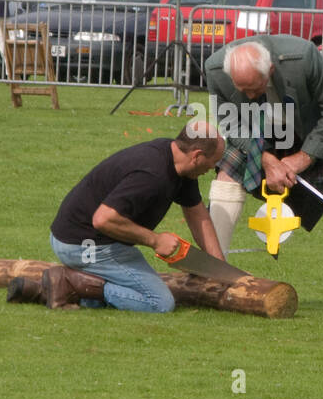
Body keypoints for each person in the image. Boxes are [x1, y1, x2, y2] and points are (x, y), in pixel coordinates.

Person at [204, 36, 323, 314]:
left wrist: (301, 160)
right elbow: (230, 120)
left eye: (253, 88)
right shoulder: (215, 70)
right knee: (227, 175)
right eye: (241, 89)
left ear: (269, 71)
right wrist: (265, 158)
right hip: (263, 130)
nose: (247, 96)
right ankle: (213, 275)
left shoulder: (302, 58)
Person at [20, 123, 226, 312]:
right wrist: (155, 240)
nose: (212, 169)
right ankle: (70, 283)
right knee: (159, 302)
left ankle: (43, 290)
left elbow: (197, 214)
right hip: (84, 246)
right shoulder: (152, 175)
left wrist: (220, 268)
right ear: (197, 156)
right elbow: (103, 219)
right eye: (213, 162)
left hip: (79, 239)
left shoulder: (178, 163)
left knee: (121, 292)